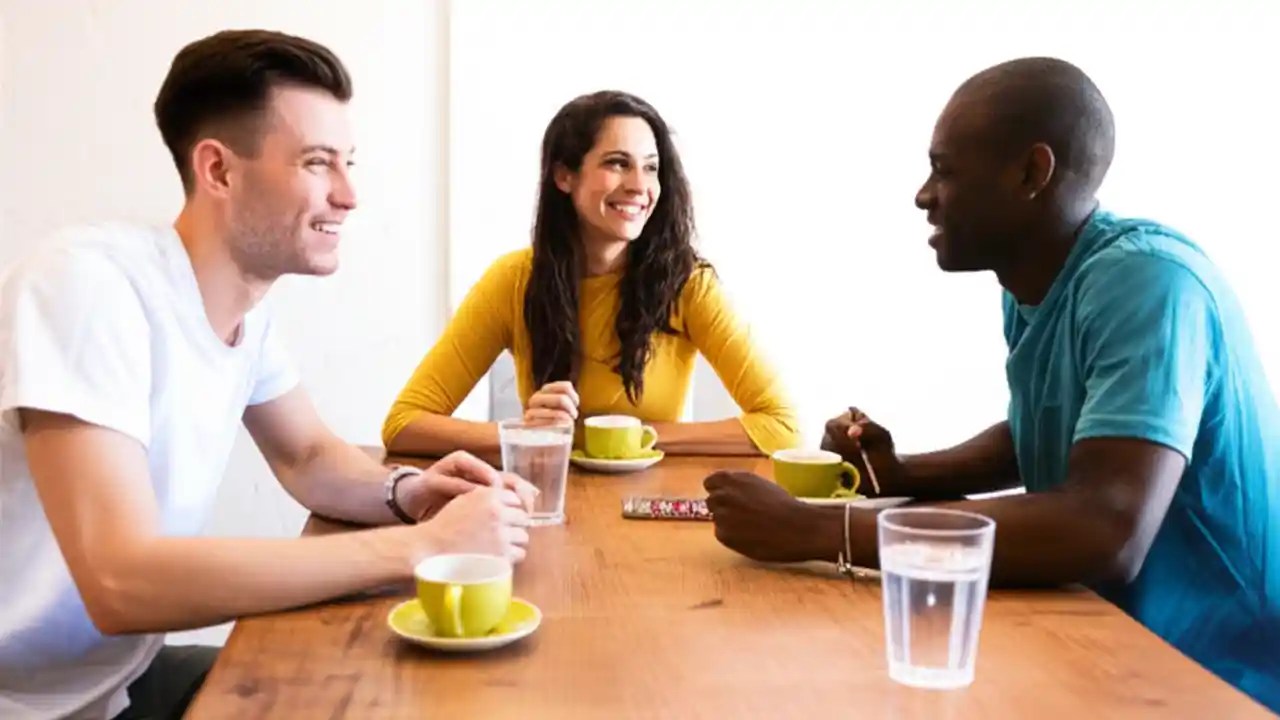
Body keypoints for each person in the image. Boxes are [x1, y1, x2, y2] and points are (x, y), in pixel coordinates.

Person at [704, 57, 1279, 712]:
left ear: (1032, 173)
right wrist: (898, 474)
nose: (924, 195)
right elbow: (1047, 431)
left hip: (1218, 679)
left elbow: (1104, 527)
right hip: (1107, 645)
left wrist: (819, 531)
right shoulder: (1038, 280)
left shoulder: (1148, 283)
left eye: (944, 170)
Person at [0, 30, 534, 720]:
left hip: (111, 686)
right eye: (318, 163)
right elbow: (119, 581)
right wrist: (423, 547)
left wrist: (409, 492)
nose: (349, 195)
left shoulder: (247, 316)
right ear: (218, 170)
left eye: (348, 163)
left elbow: (307, 456)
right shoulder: (88, 286)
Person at [381, 90, 800, 458]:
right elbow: (404, 424)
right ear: (564, 175)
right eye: (617, 163)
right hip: (548, 501)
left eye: (651, 167)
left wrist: (628, 438)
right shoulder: (513, 280)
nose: (639, 185)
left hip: (649, 501)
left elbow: (782, 426)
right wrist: (522, 435)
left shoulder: (688, 283)